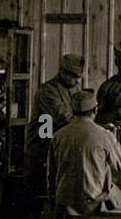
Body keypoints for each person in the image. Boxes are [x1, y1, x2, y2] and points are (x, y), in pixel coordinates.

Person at [50, 89, 121, 217]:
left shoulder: (58, 136)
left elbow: (51, 174)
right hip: (92, 203)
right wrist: (114, 141)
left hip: (65, 203)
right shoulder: (104, 134)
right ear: (95, 110)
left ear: (72, 111)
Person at [27, 52, 85, 200]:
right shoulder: (47, 91)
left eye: (79, 77)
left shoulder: (73, 89)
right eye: (74, 77)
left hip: (60, 150)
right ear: (63, 73)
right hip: (42, 150)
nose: (78, 82)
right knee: (43, 196)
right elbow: (65, 119)